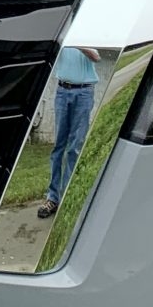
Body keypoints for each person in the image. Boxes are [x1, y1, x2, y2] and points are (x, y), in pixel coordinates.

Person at [38, 45, 99, 218]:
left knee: (74, 147)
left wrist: (79, 44)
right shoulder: (65, 33)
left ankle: (66, 198)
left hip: (84, 92)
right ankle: (52, 198)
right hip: (62, 91)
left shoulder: (90, 34)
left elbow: (96, 57)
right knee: (58, 147)